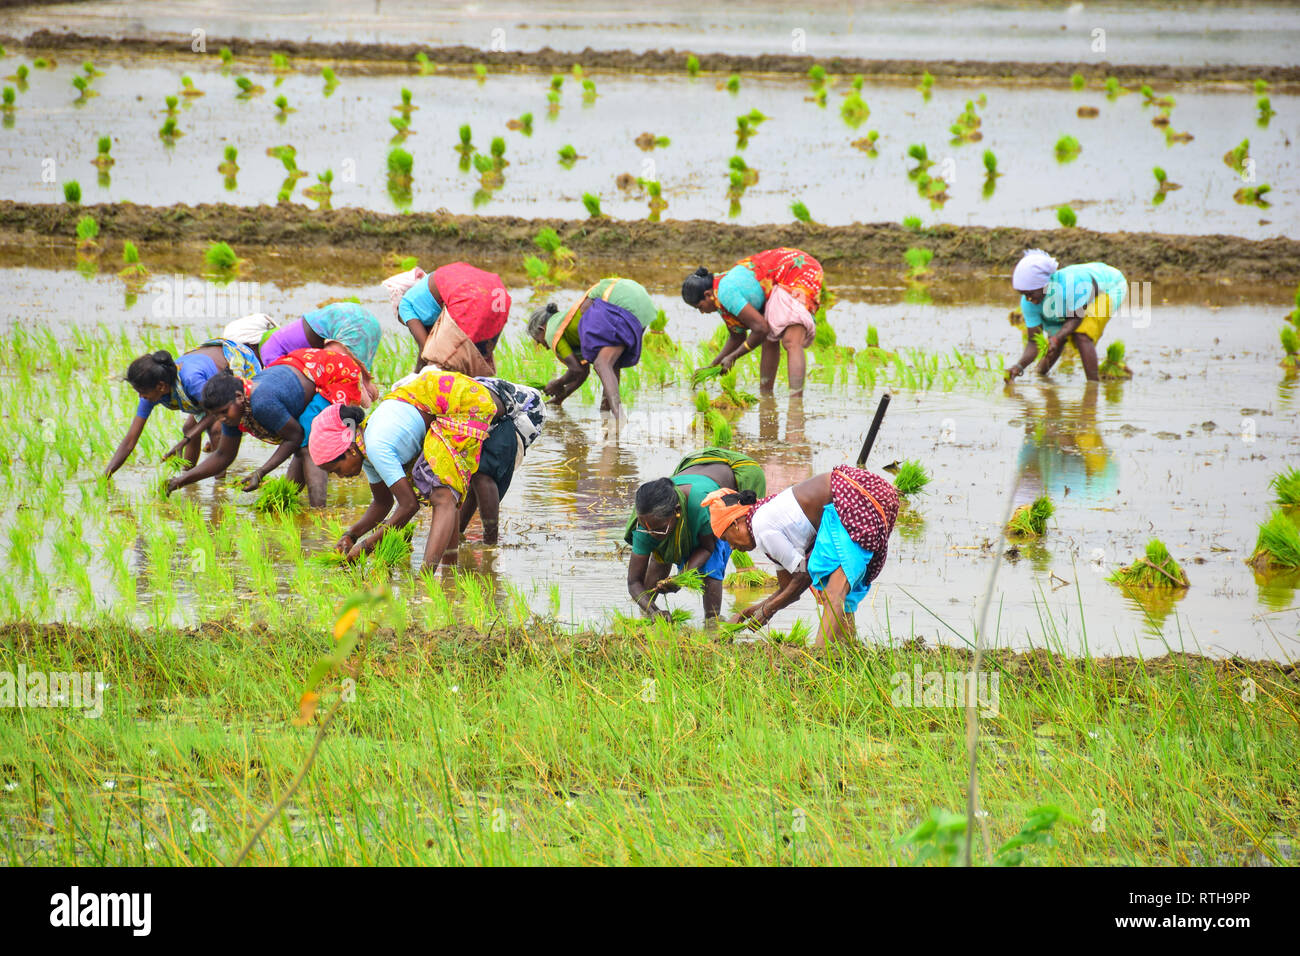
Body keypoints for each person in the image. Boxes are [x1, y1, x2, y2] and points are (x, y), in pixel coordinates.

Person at [306, 368, 501, 568]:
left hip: (461, 404)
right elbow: (383, 503)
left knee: (442, 495)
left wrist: (366, 546)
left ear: (349, 450)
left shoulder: (376, 446)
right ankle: (449, 570)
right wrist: (351, 535)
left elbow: (408, 506)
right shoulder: (367, 451)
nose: (341, 476)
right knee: (443, 492)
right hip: (438, 404)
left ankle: (427, 578)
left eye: (337, 469)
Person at [704, 465, 899, 649]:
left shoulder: (762, 527)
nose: (731, 546)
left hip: (855, 498)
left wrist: (767, 611)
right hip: (857, 499)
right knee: (841, 597)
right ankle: (847, 655)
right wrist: (744, 614)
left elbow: (803, 577)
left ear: (735, 523)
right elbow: (788, 589)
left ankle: (818, 659)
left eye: (726, 538)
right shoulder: (765, 526)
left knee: (834, 591)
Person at [165, 347, 370, 505]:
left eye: (223, 412)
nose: (222, 419)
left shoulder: (260, 402)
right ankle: (289, 496)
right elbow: (223, 456)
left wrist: (261, 472)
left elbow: (295, 437)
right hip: (302, 371)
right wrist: (181, 481)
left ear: (238, 397)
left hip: (331, 375)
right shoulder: (236, 412)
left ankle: (318, 512)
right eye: (216, 415)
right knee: (304, 438)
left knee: (308, 444)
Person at [624, 448, 767, 622]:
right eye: (648, 530)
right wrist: (653, 612)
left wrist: (682, 577)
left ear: (677, 512)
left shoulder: (701, 507)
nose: (652, 534)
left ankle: (712, 620)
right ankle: (645, 615)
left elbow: (707, 547)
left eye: (659, 529)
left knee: (712, 564)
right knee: (660, 555)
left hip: (730, 479)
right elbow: (633, 583)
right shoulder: (646, 521)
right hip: (693, 471)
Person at [105, 338, 261, 477]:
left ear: (161, 386)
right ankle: (186, 478)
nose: (141, 397)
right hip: (204, 388)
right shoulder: (151, 392)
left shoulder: (191, 380)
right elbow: (130, 440)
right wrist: (106, 475)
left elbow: (215, 411)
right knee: (189, 428)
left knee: (216, 430)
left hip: (236, 362)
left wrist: (186, 439)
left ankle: (219, 482)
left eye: (142, 392)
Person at [680, 247, 824, 395]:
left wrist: (734, 357)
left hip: (797, 270)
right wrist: (712, 366)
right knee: (770, 338)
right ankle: (766, 397)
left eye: (700, 307)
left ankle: (795, 405)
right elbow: (737, 336)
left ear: (707, 294)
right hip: (775, 283)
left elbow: (761, 328)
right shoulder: (719, 296)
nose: (702, 312)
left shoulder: (725, 292)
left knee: (791, 340)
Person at [528, 277, 654, 424]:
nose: (544, 346)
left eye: (539, 341)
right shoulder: (568, 322)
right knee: (612, 366)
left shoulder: (552, 331)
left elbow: (575, 370)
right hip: (643, 308)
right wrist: (559, 399)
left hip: (623, 303)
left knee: (602, 364)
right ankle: (607, 416)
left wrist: (557, 383)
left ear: (541, 329)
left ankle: (619, 417)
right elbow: (582, 372)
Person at [1005, 249, 1127, 383]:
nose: (1028, 299)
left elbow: (1075, 318)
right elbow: (1034, 341)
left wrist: (1057, 338)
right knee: (1055, 339)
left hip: (1109, 286)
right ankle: (1040, 376)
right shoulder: (1029, 303)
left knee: (1081, 335)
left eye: (1031, 293)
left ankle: (1093, 386)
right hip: (1075, 294)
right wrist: (1018, 367)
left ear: (1044, 285)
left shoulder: (1069, 286)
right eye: (1024, 294)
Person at [459, 378, 546, 544]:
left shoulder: (473, 399)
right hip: (497, 412)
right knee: (476, 475)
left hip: (526, 411)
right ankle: (456, 532)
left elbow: (492, 411)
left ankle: (490, 543)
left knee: (483, 473)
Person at [396, 262, 511, 375]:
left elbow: (426, 349)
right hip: (497, 290)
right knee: (479, 355)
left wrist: (416, 376)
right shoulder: (430, 297)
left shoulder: (404, 306)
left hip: (468, 294)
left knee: (440, 365)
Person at [258, 302, 384, 374]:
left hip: (346, 320)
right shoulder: (277, 340)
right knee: (357, 374)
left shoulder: (268, 354)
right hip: (350, 315)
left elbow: (284, 380)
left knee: (350, 375)